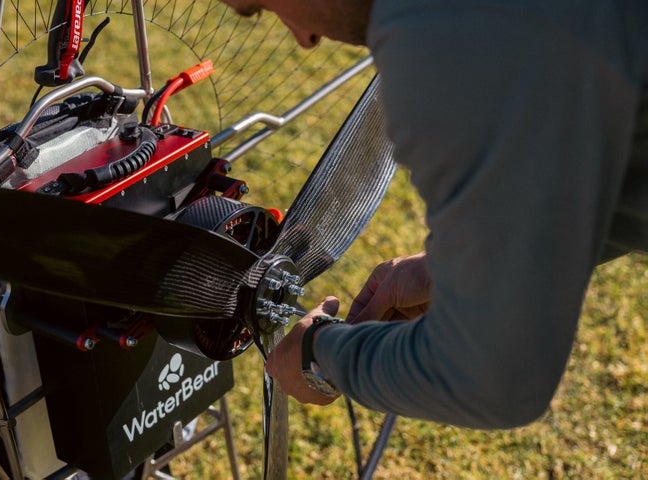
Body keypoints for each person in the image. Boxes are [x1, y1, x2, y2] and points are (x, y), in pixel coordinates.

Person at [220, 0, 648, 428]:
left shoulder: (442, 38)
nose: (303, 38)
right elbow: (624, 163)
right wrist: (475, 266)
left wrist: (321, 356)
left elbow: (492, 381)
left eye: (260, 5)